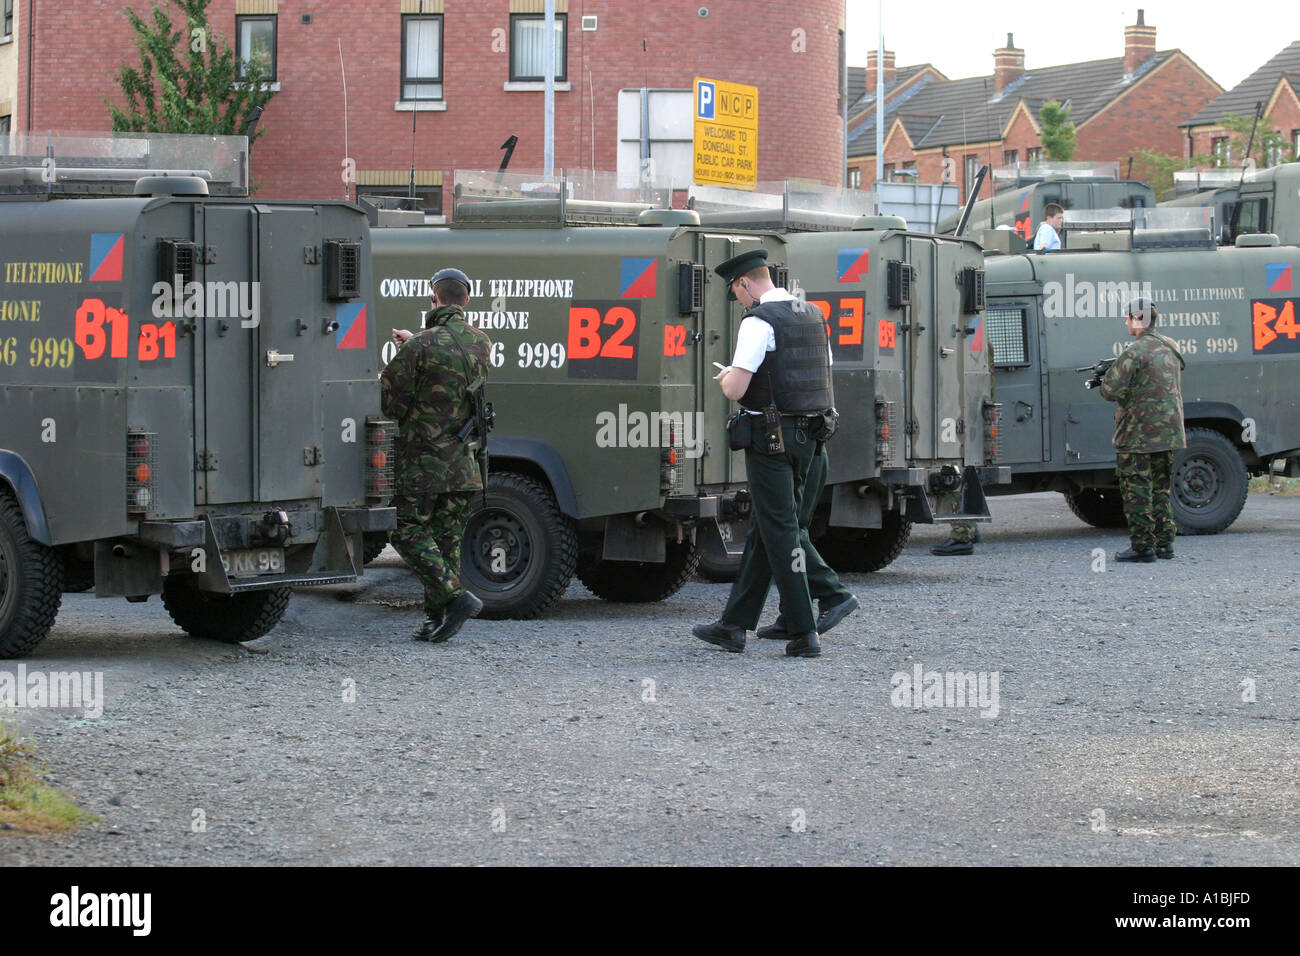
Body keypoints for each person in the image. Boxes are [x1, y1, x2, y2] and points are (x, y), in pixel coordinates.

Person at [692, 249, 858, 659]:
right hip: (814, 438)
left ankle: (808, 627)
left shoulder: (758, 322)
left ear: (746, 282)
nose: (738, 300)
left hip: (773, 441)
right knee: (773, 528)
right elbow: (821, 371)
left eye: (735, 291)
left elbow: (736, 389)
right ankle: (735, 625)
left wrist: (725, 376)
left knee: (781, 530)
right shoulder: (814, 314)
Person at [382, 267, 493, 641]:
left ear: (434, 298)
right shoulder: (481, 343)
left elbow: (390, 403)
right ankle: (435, 619)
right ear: (466, 300)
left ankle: (454, 597)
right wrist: (417, 343)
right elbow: (450, 369)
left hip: (423, 465)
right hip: (464, 463)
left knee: (404, 528)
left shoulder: (419, 347)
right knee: (447, 542)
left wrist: (410, 349)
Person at [1094, 296, 1186, 562]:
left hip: (1138, 433)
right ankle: (1165, 544)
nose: (1126, 322)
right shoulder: (1170, 346)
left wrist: (1106, 376)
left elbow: (1110, 391)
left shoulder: (1134, 351)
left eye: (1127, 318)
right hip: (1168, 431)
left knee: (1137, 489)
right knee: (1161, 488)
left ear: (1136, 319)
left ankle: (1142, 547)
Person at [932, 340, 995, 555]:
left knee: (956, 474)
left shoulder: (969, 342)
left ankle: (962, 536)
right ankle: (970, 528)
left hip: (962, 409)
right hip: (971, 408)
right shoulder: (980, 340)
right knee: (966, 470)